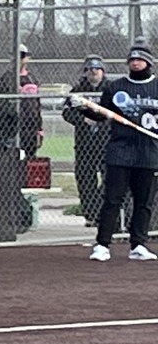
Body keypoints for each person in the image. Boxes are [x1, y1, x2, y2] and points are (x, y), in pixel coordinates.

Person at [82, 43, 158, 262]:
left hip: (149, 153)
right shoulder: (117, 88)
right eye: (132, 59)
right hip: (120, 152)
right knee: (113, 199)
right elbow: (101, 114)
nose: (135, 62)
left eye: (140, 59)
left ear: (148, 62)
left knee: (144, 202)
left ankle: (139, 245)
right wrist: (85, 108)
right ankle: (102, 244)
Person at [63, 56, 109, 222]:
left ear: (102, 71)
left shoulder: (111, 89)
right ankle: (91, 215)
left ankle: (105, 213)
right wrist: (82, 120)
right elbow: (66, 112)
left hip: (107, 143)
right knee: (85, 180)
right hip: (85, 144)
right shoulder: (78, 90)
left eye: (96, 70)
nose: (93, 73)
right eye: (90, 70)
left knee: (110, 179)